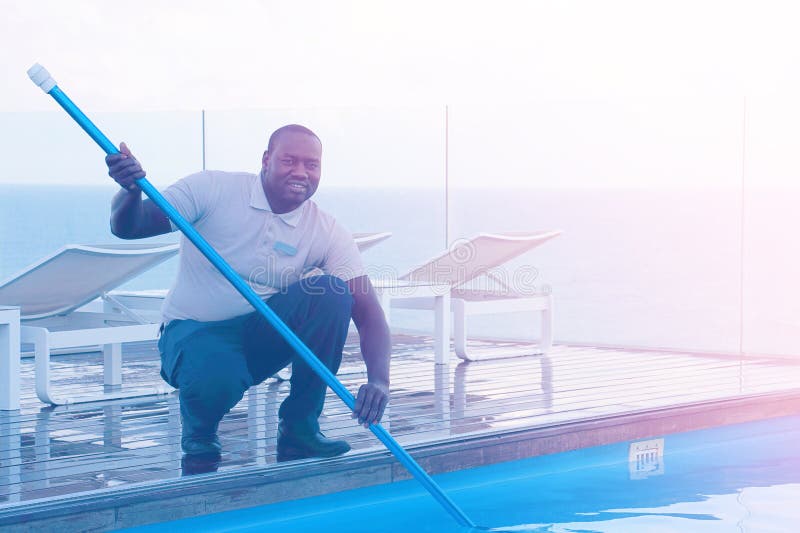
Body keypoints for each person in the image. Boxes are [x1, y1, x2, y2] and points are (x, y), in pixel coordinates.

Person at [106, 124, 391, 474]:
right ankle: (201, 433)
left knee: (332, 292)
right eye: (289, 160)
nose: (301, 172)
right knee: (216, 376)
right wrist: (130, 191)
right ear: (266, 160)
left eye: (312, 164)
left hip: (259, 337)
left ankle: (300, 427)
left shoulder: (326, 230)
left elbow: (368, 312)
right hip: (192, 333)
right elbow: (129, 227)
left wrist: (379, 379)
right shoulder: (212, 189)